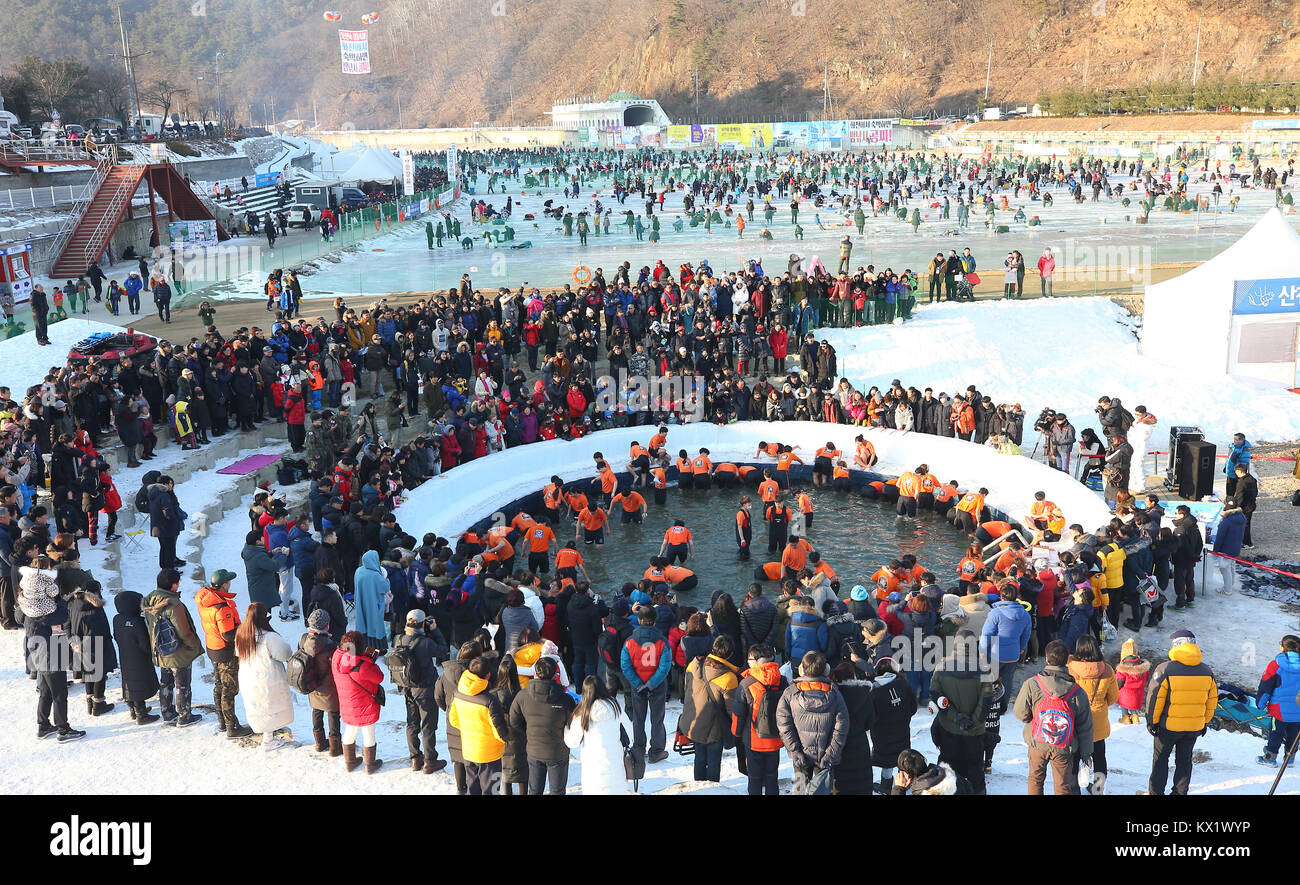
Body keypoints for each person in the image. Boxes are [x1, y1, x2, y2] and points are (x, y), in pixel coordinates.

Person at [1013, 638, 1094, 795]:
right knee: (1063, 785)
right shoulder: (1077, 691)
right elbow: (1085, 726)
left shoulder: (1032, 684)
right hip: (1064, 747)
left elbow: (1019, 712)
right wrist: (1086, 753)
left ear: (1047, 659)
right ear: (1067, 661)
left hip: (1037, 742)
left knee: (1035, 779)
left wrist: (1033, 720)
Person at [1144, 629, 1217, 795]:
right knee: (1184, 761)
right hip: (1193, 727)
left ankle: (1156, 792)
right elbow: (1212, 700)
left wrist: (1152, 722)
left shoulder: (1165, 669)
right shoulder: (1207, 671)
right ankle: (1179, 792)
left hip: (1168, 726)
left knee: (1160, 759)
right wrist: (1204, 722)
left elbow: (1155, 700)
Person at [776, 650, 849, 793]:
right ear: (826, 670)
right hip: (824, 758)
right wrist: (830, 755)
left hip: (800, 757)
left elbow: (784, 725)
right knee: (821, 790)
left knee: (800, 789)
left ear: (802, 669)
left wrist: (795, 751)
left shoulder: (790, 693)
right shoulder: (835, 694)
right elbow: (841, 728)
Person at [195, 569, 254, 739]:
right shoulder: (222, 608)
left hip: (213, 648)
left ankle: (222, 721)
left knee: (219, 685)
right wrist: (245, 631)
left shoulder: (206, 601)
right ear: (224, 584)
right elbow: (228, 635)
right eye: (229, 581)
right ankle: (232, 727)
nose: (230, 584)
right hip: (226, 653)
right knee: (229, 689)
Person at [929, 630, 989, 794]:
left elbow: (936, 694)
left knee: (948, 765)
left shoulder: (942, 666)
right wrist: (972, 722)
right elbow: (986, 702)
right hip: (974, 731)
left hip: (949, 728)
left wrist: (955, 717)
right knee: (975, 765)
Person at [142, 568, 204, 726]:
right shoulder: (174, 604)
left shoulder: (149, 601)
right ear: (173, 585)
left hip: (160, 650)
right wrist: (194, 646)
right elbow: (183, 630)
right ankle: (184, 716)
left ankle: (167, 712)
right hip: (178, 652)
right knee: (182, 684)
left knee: (166, 681)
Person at [509, 655, 576, 794]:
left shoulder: (522, 696)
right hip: (558, 751)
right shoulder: (566, 699)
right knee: (557, 791)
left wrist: (529, 733)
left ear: (536, 673)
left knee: (535, 790)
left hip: (534, 750)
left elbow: (514, 720)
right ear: (555, 674)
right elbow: (572, 725)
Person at [679, 634, 742, 782]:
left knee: (699, 758)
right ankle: (712, 789)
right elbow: (731, 710)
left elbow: (687, 689)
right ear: (731, 654)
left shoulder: (693, 665)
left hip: (693, 721)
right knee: (713, 762)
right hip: (714, 728)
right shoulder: (729, 678)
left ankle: (698, 788)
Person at [393, 609, 448, 773]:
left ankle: (416, 759)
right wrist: (435, 630)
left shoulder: (399, 639)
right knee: (428, 727)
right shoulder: (426, 642)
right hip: (426, 690)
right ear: (423, 624)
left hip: (408, 688)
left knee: (412, 724)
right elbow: (443, 649)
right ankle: (430, 761)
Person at [234, 602, 295, 751]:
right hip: (267, 678)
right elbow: (285, 653)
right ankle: (268, 740)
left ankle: (268, 735)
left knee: (259, 707)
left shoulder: (241, 635)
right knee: (269, 707)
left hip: (248, 677)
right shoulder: (269, 637)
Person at [731, 643, 788, 795]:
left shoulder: (746, 683)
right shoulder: (782, 680)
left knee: (754, 778)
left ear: (757, 661)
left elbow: (738, 713)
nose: (748, 662)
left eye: (750, 659)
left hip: (753, 739)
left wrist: (736, 733)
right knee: (772, 776)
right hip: (775, 738)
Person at [448, 655, 510, 794]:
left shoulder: (457, 693)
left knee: (472, 787)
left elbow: (453, 720)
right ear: (488, 675)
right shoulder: (490, 700)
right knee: (492, 790)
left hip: (469, 750)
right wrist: (506, 738)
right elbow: (499, 731)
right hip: (490, 754)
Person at [620, 605, 672, 765]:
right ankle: (656, 751)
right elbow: (665, 667)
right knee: (657, 719)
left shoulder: (629, 642)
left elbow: (625, 665)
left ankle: (639, 749)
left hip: (637, 686)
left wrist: (638, 683)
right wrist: (651, 684)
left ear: (639, 620)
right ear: (655, 621)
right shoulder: (663, 641)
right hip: (656, 686)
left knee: (638, 718)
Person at [1066, 635, 1118, 793]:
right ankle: (1098, 788)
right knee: (1099, 756)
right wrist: (1099, 706)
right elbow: (1113, 697)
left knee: (1073, 757)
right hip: (1098, 721)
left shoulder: (1070, 668)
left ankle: (1074, 790)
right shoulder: (1107, 669)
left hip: (1076, 719)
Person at [564, 675, 632, 795]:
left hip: (593, 765)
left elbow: (572, 742)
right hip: (615, 761)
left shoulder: (583, 713)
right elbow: (630, 732)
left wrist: (565, 729)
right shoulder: (614, 706)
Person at [332, 629, 386, 774]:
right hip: (365, 704)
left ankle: (350, 762)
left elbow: (350, 661)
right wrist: (370, 661)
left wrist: (362, 657)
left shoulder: (337, 657)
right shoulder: (363, 665)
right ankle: (370, 764)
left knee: (350, 729)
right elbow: (379, 677)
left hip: (347, 703)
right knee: (368, 732)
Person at [299, 609, 343, 756]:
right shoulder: (330, 645)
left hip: (312, 683)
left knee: (316, 711)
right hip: (328, 685)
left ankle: (319, 743)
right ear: (327, 626)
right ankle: (335, 747)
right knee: (333, 713)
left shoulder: (304, 639)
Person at [1256, 635, 1300, 766]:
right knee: (1294, 733)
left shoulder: (1275, 664)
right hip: (1298, 708)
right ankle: (1290, 758)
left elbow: (1266, 686)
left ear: (1283, 647)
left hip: (1279, 709)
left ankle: (1270, 758)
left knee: (1276, 733)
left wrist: (1260, 704)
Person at [981, 583, 1032, 690]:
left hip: (995, 654)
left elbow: (987, 634)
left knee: (989, 682)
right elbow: (1026, 634)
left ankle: (991, 704)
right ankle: (1004, 703)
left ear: (1001, 596)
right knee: (1007, 681)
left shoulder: (995, 613)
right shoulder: (1025, 614)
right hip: (1013, 654)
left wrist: (982, 651)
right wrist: (1022, 648)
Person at [146, 475, 186, 569]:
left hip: (158, 527)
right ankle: (169, 570)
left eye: (172, 483)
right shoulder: (164, 495)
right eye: (169, 483)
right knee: (169, 549)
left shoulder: (154, 493)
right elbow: (168, 512)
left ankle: (164, 567)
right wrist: (175, 520)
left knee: (164, 548)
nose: (171, 485)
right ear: (164, 484)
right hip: (167, 527)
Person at [1211, 499, 1247, 596]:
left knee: (1224, 569)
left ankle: (1227, 589)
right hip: (1235, 548)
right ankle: (1230, 585)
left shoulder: (1226, 521)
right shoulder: (1242, 517)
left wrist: (1215, 550)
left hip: (1226, 549)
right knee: (1231, 567)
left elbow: (1220, 537)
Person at [1233, 465, 1258, 548]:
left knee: (1244, 525)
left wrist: (1236, 507)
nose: (1236, 474)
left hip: (1244, 507)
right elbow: (1256, 492)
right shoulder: (1252, 479)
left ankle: (1247, 543)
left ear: (1240, 471)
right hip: (1251, 504)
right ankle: (1246, 541)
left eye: (1236, 472)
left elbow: (1239, 496)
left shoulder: (1241, 482)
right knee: (1247, 523)